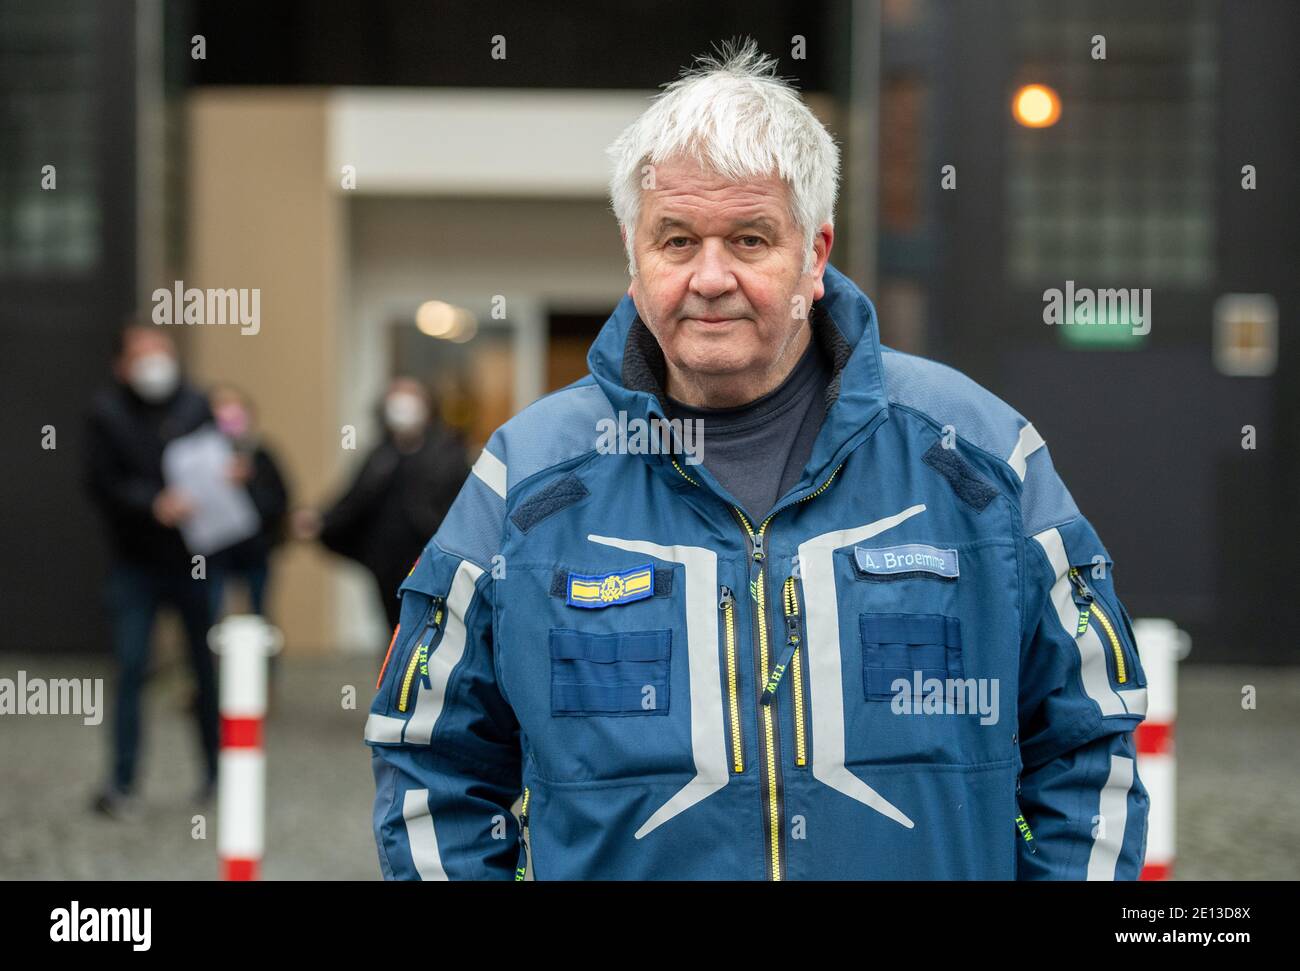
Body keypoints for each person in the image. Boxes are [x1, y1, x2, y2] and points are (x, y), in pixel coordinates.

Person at [365, 40, 1150, 880]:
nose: (710, 277)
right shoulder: (528, 483)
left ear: (814, 256)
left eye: (749, 239)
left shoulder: (981, 458)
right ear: (633, 259)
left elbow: (1089, 747)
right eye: (675, 241)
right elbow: (430, 763)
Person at [85, 323, 220, 816]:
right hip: (135, 565)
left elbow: (218, 466)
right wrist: (151, 504)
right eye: (142, 355)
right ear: (121, 365)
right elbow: (100, 484)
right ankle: (121, 784)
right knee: (131, 667)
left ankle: (217, 775)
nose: (154, 364)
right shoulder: (106, 413)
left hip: (194, 563)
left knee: (206, 670)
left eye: (161, 352)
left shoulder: (195, 405)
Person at [296, 378, 469, 631]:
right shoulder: (380, 455)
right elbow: (354, 500)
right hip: (386, 560)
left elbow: (460, 504)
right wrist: (320, 520)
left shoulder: (447, 452)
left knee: (431, 628)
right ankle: (395, 670)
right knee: (394, 627)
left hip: (430, 557)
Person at [207, 384, 290, 620]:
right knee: (211, 609)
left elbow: (279, 500)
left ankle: (260, 655)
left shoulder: (262, 456)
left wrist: (250, 483)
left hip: (256, 550)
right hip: (214, 553)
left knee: (258, 611)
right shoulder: (201, 458)